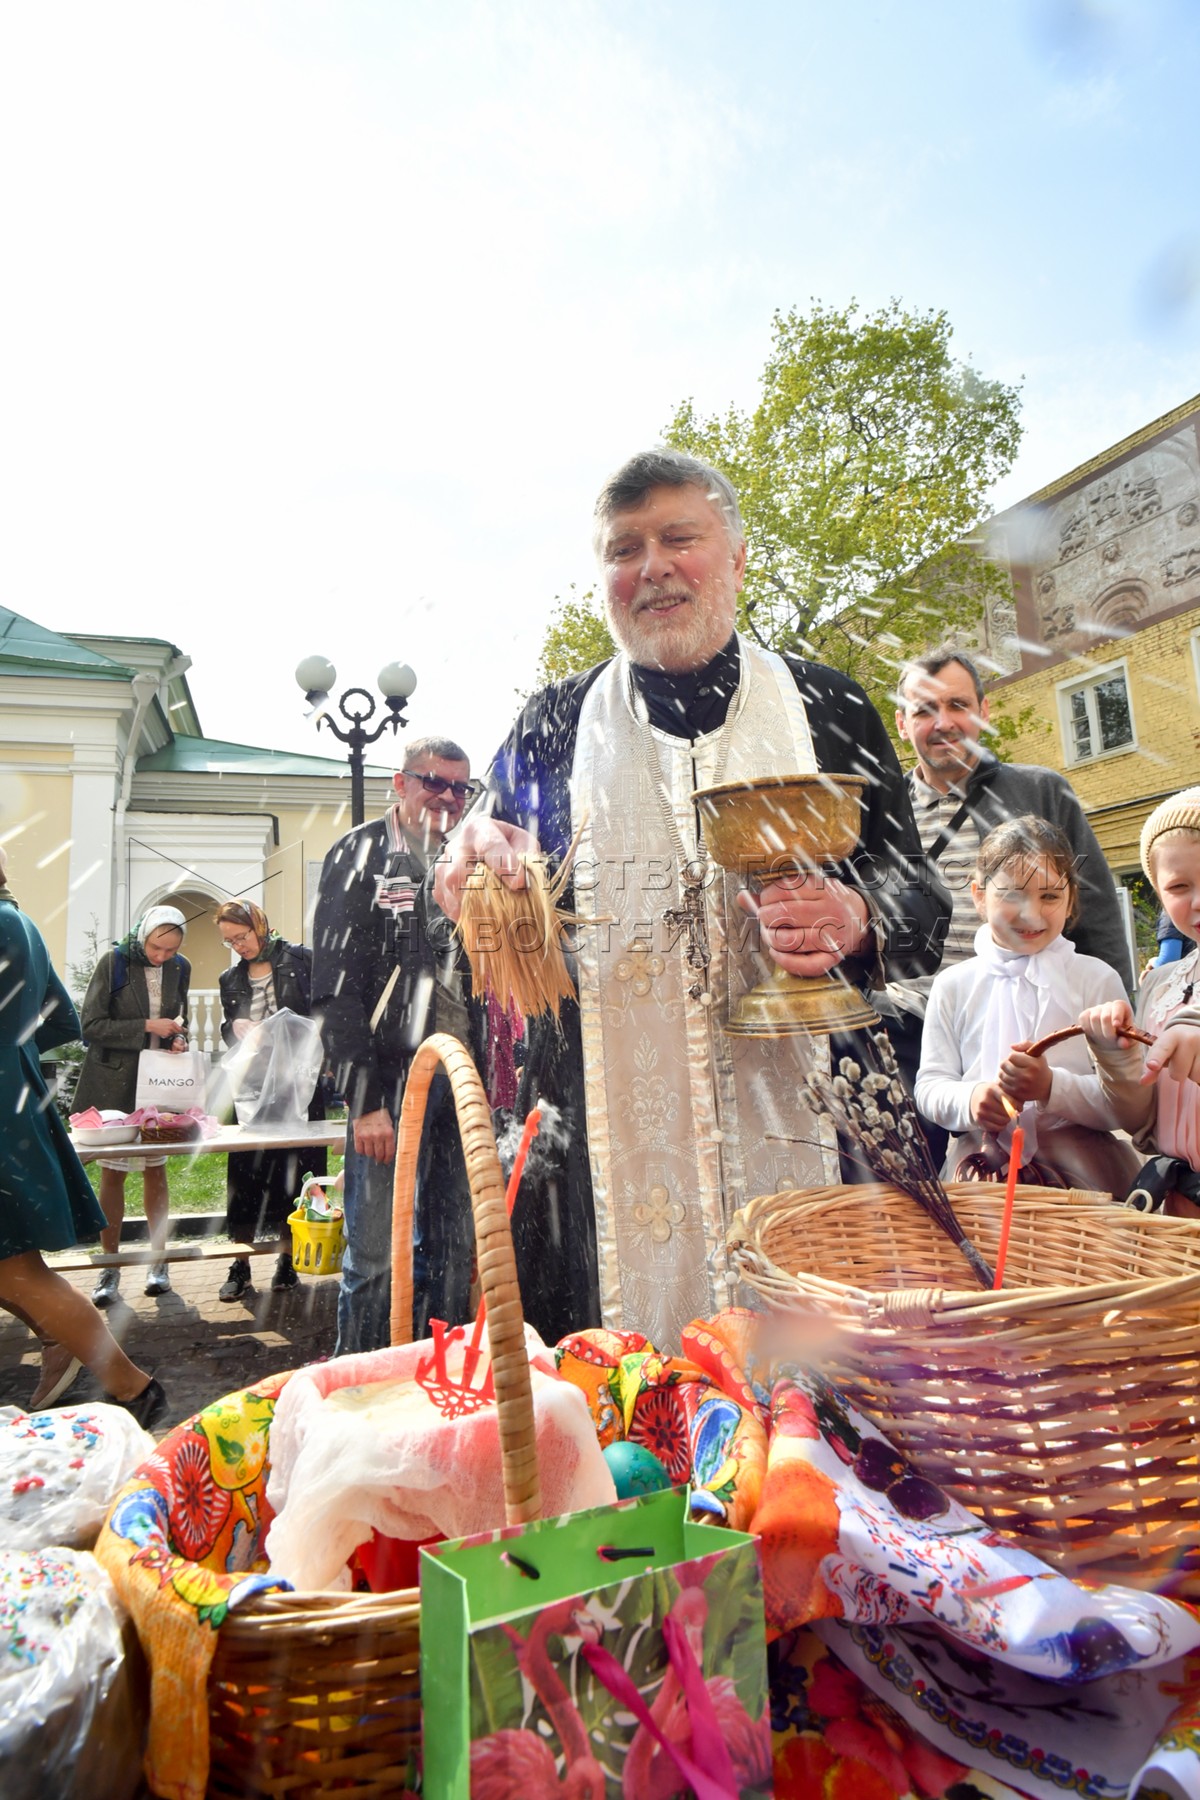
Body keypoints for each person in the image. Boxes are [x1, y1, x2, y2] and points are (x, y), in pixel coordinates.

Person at [431, 447, 950, 1351]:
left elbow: (921, 898)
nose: (653, 567)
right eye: (624, 549)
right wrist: (473, 858)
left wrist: (858, 917)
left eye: (681, 538)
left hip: (824, 1128)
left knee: (823, 1423)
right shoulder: (553, 724)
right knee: (623, 1423)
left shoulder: (830, 706)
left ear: (738, 558)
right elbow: (480, 906)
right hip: (598, 1167)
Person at [881, 648, 1134, 1161]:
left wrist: (1117, 1025)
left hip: (1029, 1027)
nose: (944, 722)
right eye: (925, 709)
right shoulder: (881, 811)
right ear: (902, 723)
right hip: (909, 1035)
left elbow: (1099, 915)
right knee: (924, 1199)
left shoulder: (1040, 791)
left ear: (984, 711)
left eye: (958, 705)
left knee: (1042, 1183)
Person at [311, 735, 480, 1354]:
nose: (448, 796)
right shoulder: (359, 854)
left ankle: (436, 1386)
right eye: (433, 781)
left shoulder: (471, 856)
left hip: (461, 1079)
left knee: (451, 1247)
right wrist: (364, 1101)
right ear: (398, 782)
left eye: (461, 786)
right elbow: (334, 987)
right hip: (389, 1082)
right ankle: (356, 1383)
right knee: (377, 1255)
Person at [0, 849, 167, 1428]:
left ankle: (129, 1384)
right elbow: (66, 1022)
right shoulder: (19, 923)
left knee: (16, 1269)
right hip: (13, 1098)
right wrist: (12, 1051)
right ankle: (61, 1339)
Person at [914, 816, 1140, 1196]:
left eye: (1049, 896)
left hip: (1085, 1178)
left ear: (1071, 900)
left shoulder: (1095, 980)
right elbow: (930, 1086)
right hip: (981, 1178)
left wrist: (1051, 1086)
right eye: (1012, 895)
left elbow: (1125, 1102)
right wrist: (971, 1100)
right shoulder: (953, 986)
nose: (1032, 914)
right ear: (980, 896)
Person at [1080, 787, 1200, 1215]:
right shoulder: (1162, 985)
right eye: (1180, 886)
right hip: (1179, 1208)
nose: (1198, 901)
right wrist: (1117, 1059)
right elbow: (1140, 1121)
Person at [73, 905, 191, 1306]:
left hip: (158, 1081)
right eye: (157, 948)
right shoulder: (115, 961)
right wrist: (145, 1027)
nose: (162, 956)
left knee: (156, 1171)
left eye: (171, 950)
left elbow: (179, 1015)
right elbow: (90, 1026)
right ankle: (110, 1267)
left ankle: (159, 1262)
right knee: (114, 1174)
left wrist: (176, 1036)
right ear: (143, 936)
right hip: (114, 1084)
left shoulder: (180, 967)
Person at [212, 900, 327, 1301]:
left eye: (241, 936)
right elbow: (230, 1033)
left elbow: (322, 1013)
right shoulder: (230, 978)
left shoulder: (302, 960)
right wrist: (235, 1026)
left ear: (260, 925)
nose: (238, 946)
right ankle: (241, 1265)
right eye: (230, 940)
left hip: (299, 1085)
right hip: (251, 1092)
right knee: (244, 1179)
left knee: (295, 1177)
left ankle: (288, 1260)